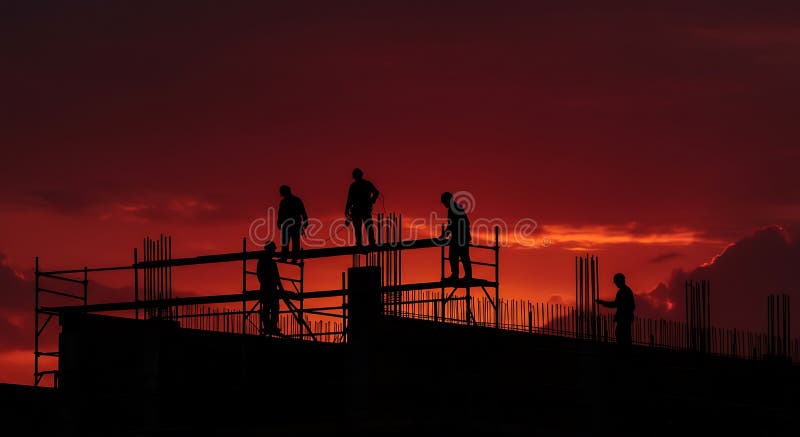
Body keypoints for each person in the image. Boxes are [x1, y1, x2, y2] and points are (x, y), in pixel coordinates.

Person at [596, 273, 636, 353]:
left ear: (619, 281)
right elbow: (623, 305)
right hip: (626, 318)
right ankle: (626, 352)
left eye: (616, 282)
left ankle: (624, 353)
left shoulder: (623, 291)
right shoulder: (626, 290)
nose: (616, 284)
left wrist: (603, 303)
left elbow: (616, 304)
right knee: (624, 335)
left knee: (621, 334)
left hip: (625, 318)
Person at [439, 192, 472, 281]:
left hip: (459, 237)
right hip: (461, 236)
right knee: (462, 256)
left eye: (444, 202)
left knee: (456, 255)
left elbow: (452, 225)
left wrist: (444, 235)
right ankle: (465, 275)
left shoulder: (453, 209)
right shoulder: (456, 208)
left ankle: (458, 275)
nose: (444, 204)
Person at [345, 168, 379, 247]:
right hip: (360, 210)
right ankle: (366, 243)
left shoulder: (357, 185)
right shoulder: (358, 185)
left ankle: (365, 243)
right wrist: (372, 200)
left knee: (364, 226)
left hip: (362, 210)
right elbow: (349, 199)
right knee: (363, 226)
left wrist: (372, 200)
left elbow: (376, 192)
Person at [257, 241, 283, 335]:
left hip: (268, 288)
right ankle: (269, 327)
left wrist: (279, 287)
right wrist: (280, 288)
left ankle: (270, 327)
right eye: (273, 250)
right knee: (270, 308)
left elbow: (276, 277)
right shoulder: (267, 262)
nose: (273, 252)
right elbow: (276, 277)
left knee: (270, 308)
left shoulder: (264, 261)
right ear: (270, 250)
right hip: (268, 289)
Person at [277, 185, 307, 263]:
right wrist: (305, 222)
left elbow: (280, 214)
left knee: (288, 241)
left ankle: (286, 257)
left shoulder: (285, 202)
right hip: (294, 224)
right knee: (293, 241)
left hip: (289, 225)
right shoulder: (296, 200)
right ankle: (293, 258)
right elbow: (303, 212)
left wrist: (279, 222)